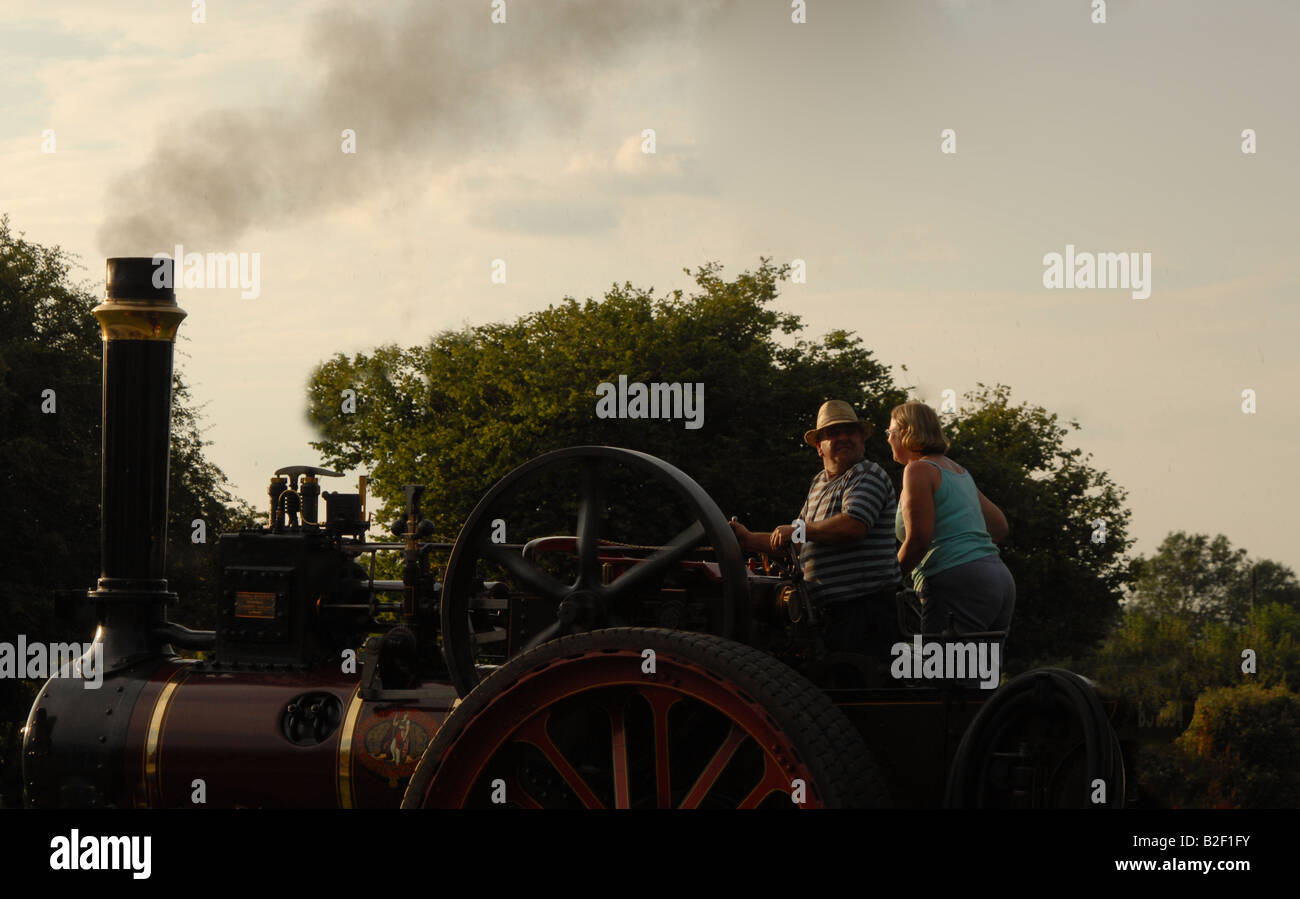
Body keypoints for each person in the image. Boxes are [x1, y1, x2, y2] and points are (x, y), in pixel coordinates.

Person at [730, 400, 901, 656]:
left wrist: (799, 529)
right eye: (833, 433)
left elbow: (853, 526)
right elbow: (797, 541)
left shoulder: (867, 474)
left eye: (850, 431)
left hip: (866, 607)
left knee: (862, 686)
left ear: (862, 440)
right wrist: (747, 539)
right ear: (819, 447)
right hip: (830, 612)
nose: (843, 437)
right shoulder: (819, 483)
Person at [886, 401, 1015, 638]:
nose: (888, 439)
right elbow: (999, 526)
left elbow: (918, 540)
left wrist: (886, 581)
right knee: (979, 672)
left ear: (906, 432)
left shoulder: (917, 470)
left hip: (956, 581)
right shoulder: (958, 471)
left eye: (890, 432)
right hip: (999, 579)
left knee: (944, 672)